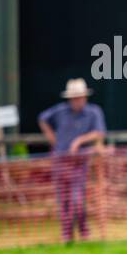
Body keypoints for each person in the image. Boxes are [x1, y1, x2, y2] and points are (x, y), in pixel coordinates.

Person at [37, 78, 106, 242]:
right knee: (63, 200)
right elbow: (42, 119)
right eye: (74, 98)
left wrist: (79, 141)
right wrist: (53, 139)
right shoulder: (60, 111)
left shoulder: (93, 112)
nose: (77, 101)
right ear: (69, 98)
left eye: (80, 97)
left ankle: (84, 232)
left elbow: (100, 133)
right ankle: (66, 235)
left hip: (79, 163)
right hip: (60, 161)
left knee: (77, 200)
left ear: (85, 97)